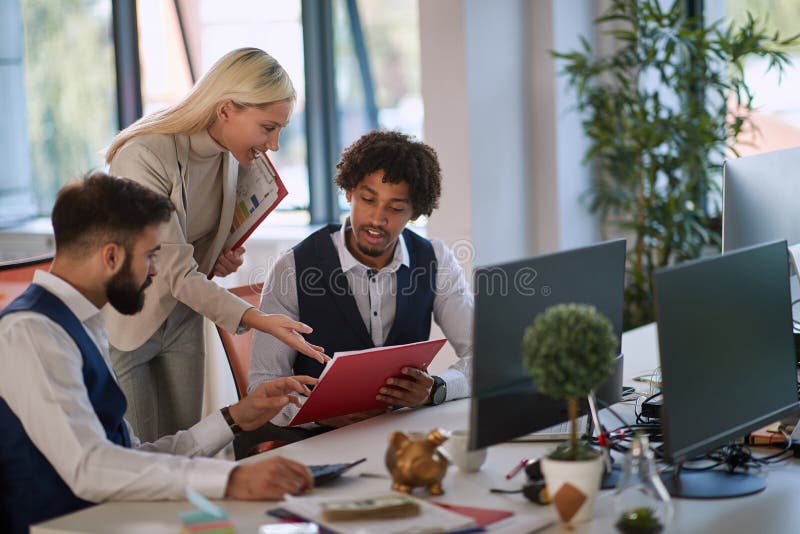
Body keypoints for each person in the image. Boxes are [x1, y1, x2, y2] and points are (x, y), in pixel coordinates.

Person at [0, 174, 316, 534]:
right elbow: (91, 468)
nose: (154, 271)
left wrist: (235, 417)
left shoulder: (83, 324)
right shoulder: (31, 332)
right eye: (150, 256)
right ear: (112, 256)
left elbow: (131, 459)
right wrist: (230, 478)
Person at [104, 47, 327, 442]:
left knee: (188, 443)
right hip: (132, 319)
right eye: (267, 127)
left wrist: (215, 256)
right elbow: (174, 269)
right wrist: (261, 320)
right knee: (138, 455)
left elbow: (190, 249)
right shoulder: (143, 157)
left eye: (280, 130)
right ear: (226, 110)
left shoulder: (230, 158)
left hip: (184, 317)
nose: (274, 145)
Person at [247, 130, 473, 436]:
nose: (377, 219)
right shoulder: (293, 267)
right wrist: (322, 413)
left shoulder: (435, 260)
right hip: (316, 441)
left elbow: (484, 356)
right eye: (368, 199)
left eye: (395, 208)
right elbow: (263, 384)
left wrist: (437, 388)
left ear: (415, 211)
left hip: (399, 436)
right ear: (349, 191)